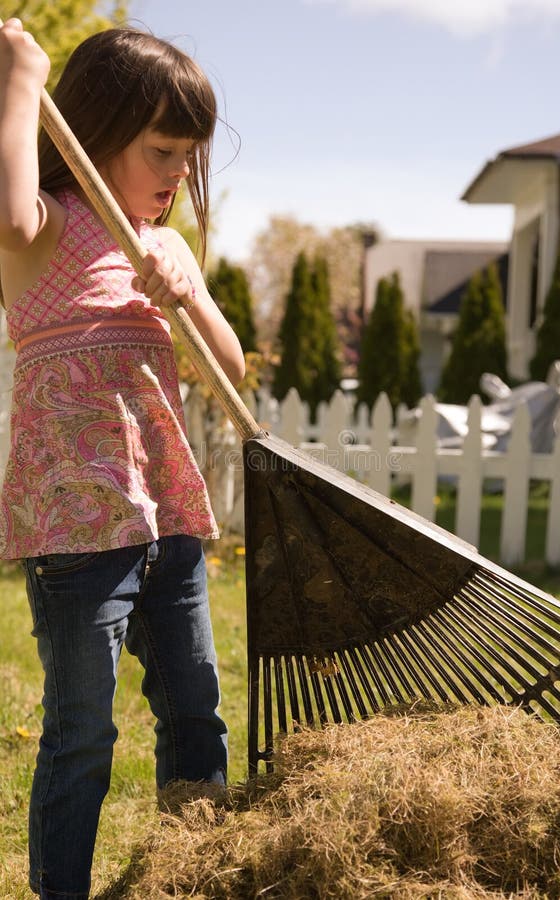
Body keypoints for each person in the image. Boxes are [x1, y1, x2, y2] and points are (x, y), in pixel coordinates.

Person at [0, 18, 245, 899]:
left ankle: (198, 876)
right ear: (95, 132)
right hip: (77, 528)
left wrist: (189, 298)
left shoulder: (167, 248)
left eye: (189, 157)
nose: (180, 174)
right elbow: (6, 204)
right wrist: (22, 78)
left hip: (166, 520)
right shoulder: (41, 233)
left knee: (195, 711)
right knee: (82, 730)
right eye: (164, 151)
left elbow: (230, 369)